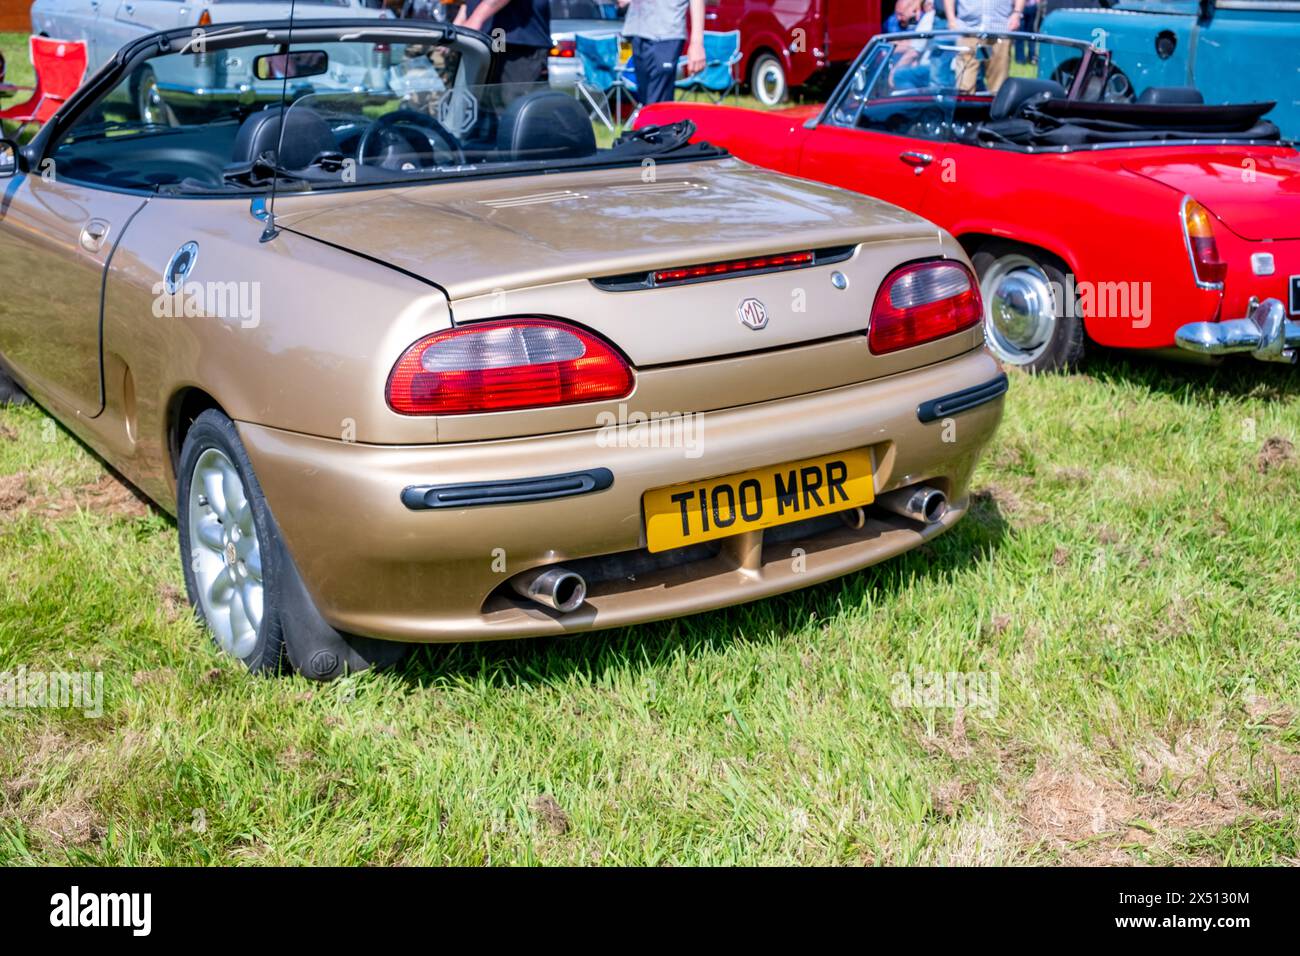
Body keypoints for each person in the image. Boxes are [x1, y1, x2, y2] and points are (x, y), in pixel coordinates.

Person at [618, 0, 706, 106]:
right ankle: (651, 121)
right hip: (637, 31)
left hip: (667, 34)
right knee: (645, 99)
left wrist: (697, 43)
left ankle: (656, 122)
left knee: (658, 100)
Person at [456, 0, 552, 87]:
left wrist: (475, 19)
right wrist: (456, 27)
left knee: (514, 100)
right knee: (482, 99)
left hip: (517, 42)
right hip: (492, 38)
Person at [943, 0, 1025, 94]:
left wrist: (1017, 13)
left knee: (998, 84)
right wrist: (951, 19)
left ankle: (995, 107)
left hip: (1000, 28)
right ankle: (964, 107)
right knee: (964, 84)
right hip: (968, 29)